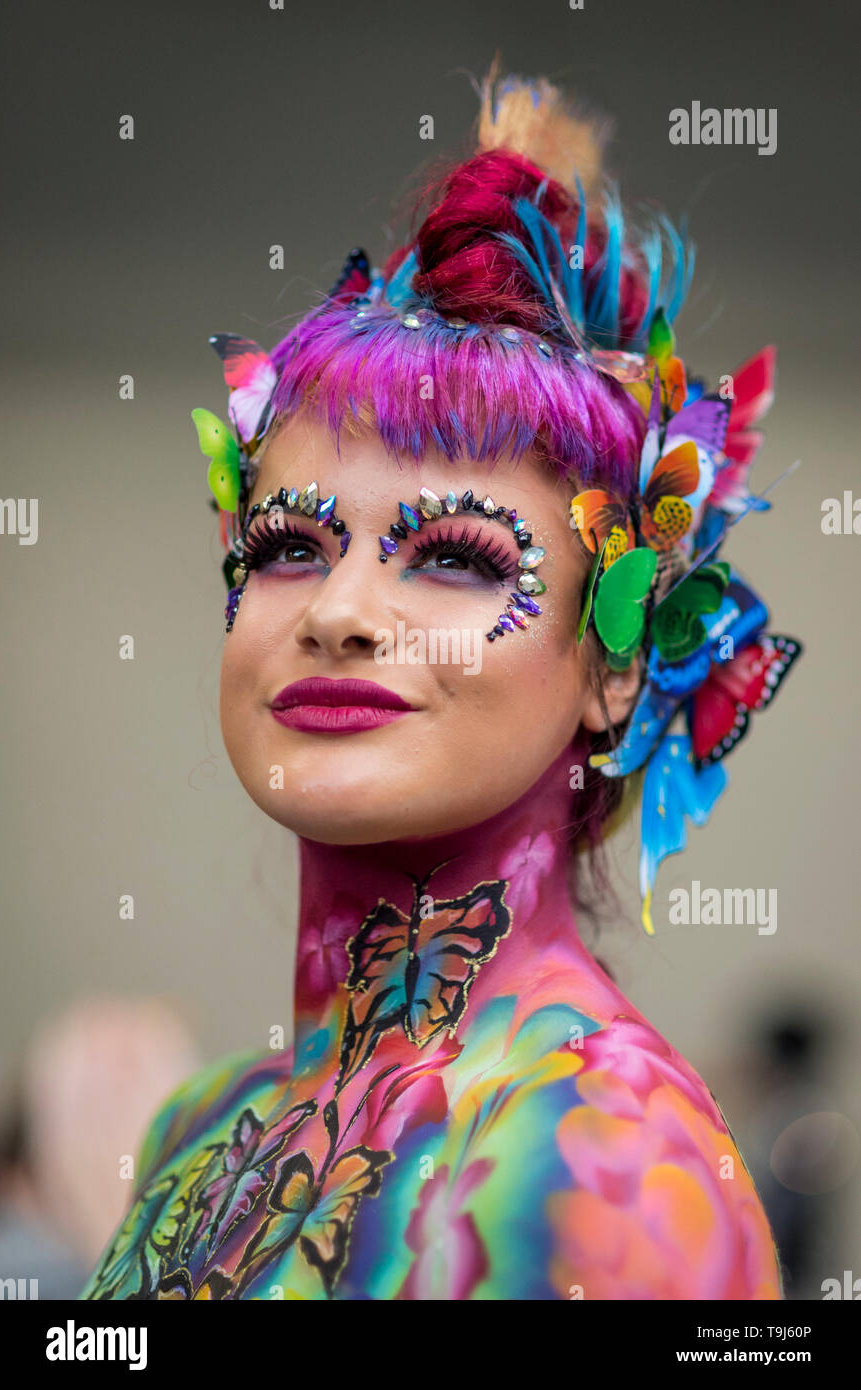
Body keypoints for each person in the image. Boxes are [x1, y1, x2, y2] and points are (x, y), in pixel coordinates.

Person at [81, 66, 801, 1301]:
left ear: (613, 667)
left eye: (458, 560)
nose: (342, 614)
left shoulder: (608, 1168)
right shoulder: (198, 1129)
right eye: (291, 547)